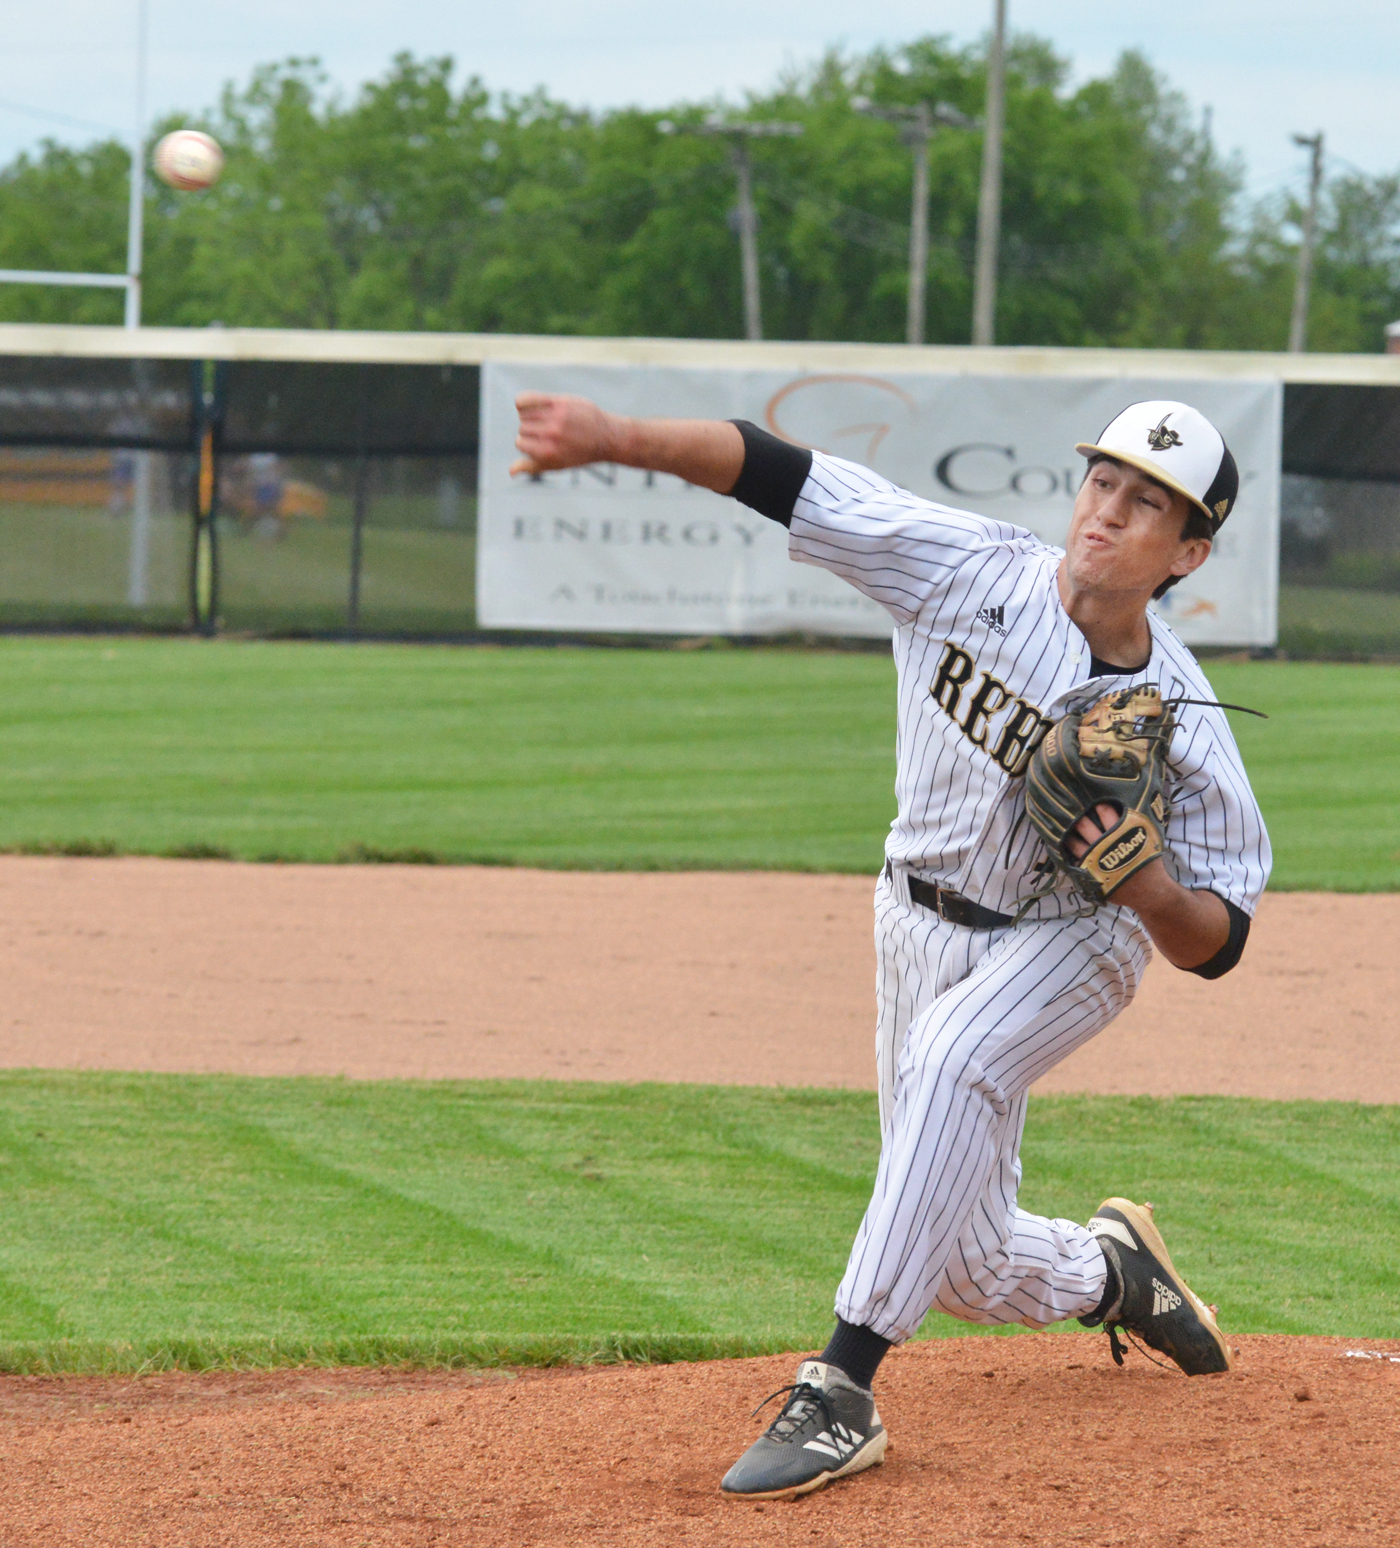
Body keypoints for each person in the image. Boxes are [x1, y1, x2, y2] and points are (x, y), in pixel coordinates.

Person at [511, 392, 1270, 1502]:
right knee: (965, 1260)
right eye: (1101, 481)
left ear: (1186, 552)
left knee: (955, 1057)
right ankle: (1110, 1271)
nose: (1106, 511)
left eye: (1145, 502)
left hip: (1075, 940)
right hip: (911, 916)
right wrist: (611, 439)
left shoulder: (1184, 720)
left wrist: (1142, 881)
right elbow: (779, 473)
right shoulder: (965, 568)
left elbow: (1218, 942)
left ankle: (841, 1387)